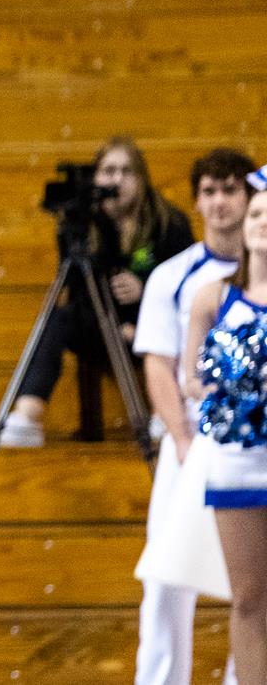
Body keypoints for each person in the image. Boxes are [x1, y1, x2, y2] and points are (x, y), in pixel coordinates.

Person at [134, 148, 250, 685]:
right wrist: (180, 439)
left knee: (252, 584)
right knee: (167, 579)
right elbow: (160, 362)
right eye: (210, 191)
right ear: (198, 200)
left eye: (231, 189)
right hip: (194, 441)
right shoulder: (173, 277)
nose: (220, 201)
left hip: (254, 445)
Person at [3, 136, 194, 447]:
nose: (116, 180)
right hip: (100, 324)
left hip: (153, 327)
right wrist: (115, 328)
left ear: (141, 178)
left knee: (172, 328)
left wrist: (145, 295)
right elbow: (76, 289)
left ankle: (165, 413)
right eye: (109, 171)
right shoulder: (81, 227)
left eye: (126, 171)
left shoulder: (168, 223)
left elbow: (187, 289)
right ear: (95, 178)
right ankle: (28, 414)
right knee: (57, 317)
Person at [186, 173, 267, 683]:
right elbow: (191, 379)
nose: (263, 225)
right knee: (249, 597)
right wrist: (231, 394)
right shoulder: (212, 296)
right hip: (237, 459)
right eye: (258, 215)